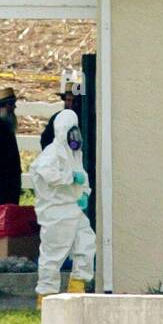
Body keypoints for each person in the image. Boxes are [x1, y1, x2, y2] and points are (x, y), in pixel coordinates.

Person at [32, 109, 95, 304]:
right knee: (53, 255)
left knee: (86, 244)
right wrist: (69, 178)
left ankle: (77, 286)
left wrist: (84, 192)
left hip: (73, 209)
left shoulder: (75, 152)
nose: (74, 134)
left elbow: (82, 176)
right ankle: (46, 296)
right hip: (56, 212)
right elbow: (45, 174)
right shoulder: (52, 153)